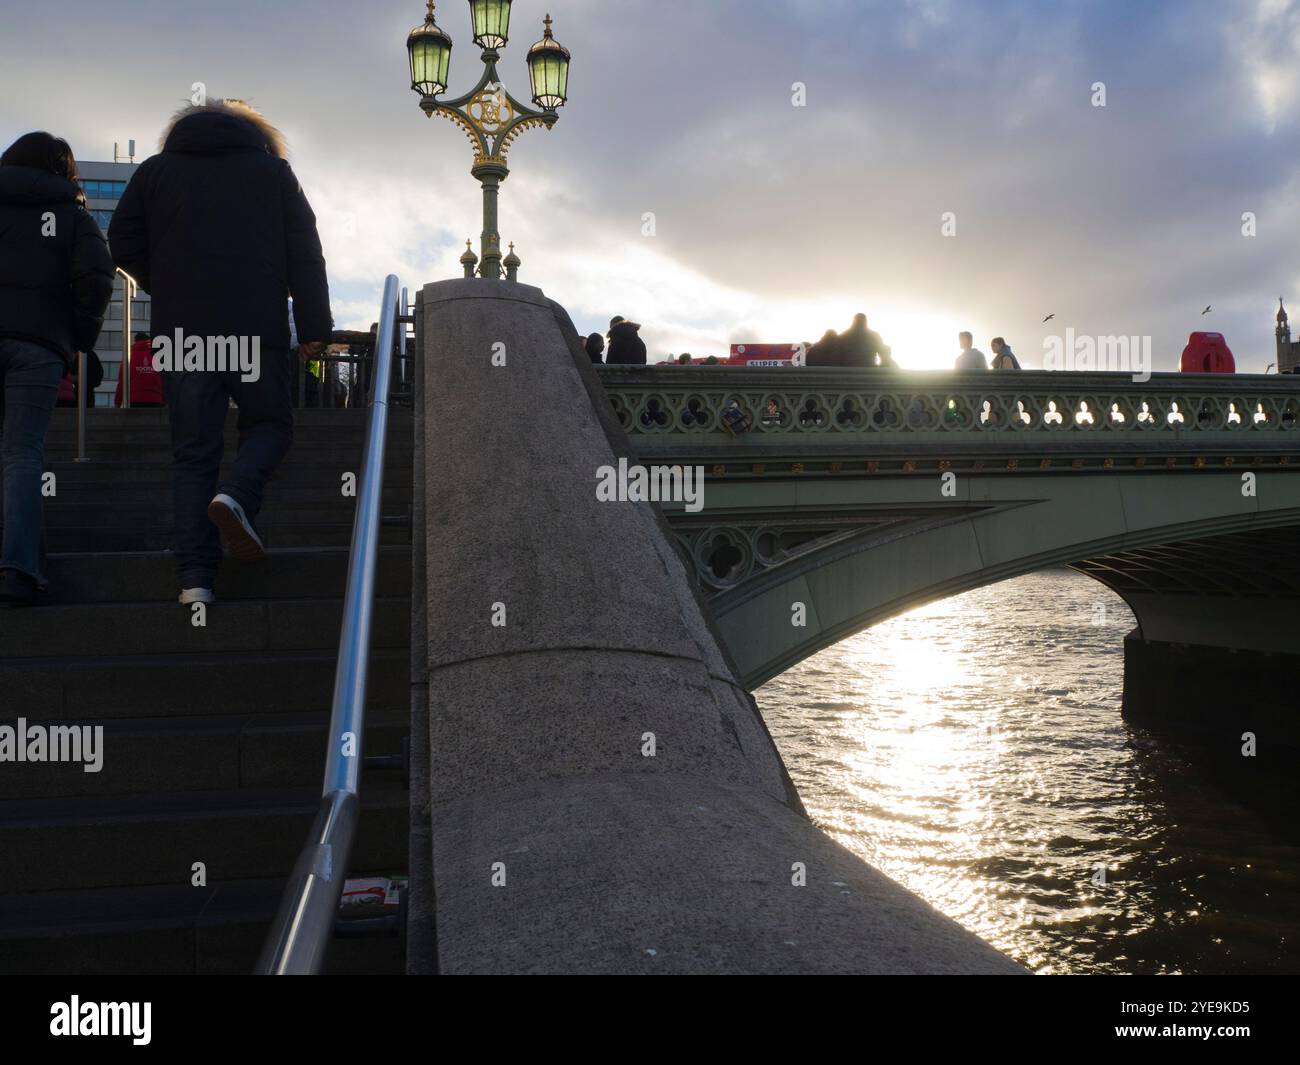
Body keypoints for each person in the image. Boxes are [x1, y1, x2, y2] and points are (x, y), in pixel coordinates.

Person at [109, 98, 332, 605]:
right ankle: (237, 495)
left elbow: (121, 243)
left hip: (184, 333)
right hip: (254, 329)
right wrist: (316, 326)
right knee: (270, 425)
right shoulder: (273, 173)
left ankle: (195, 581)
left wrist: (165, 283)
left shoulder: (155, 172)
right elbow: (305, 252)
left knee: (193, 453)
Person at [0, 132, 114, 605]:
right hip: (39, 344)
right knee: (22, 453)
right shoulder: (73, 217)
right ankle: (18, 572)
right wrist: (79, 339)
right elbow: (96, 278)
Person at [115, 332, 165, 406]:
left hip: (133, 399)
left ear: (136, 341)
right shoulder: (158, 354)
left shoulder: (128, 355)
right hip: (156, 398)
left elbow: (122, 381)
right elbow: (165, 379)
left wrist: (118, 402)